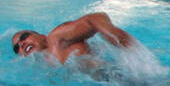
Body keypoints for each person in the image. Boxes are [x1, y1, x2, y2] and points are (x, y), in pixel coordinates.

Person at [10, 11, 143, 64]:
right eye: (17, 48)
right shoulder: (43, 65)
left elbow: (93, 19)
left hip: (121, 81)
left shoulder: (56, 39)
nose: (21, 44)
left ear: (42, 36)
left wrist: (124, 43)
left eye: (24, 37)